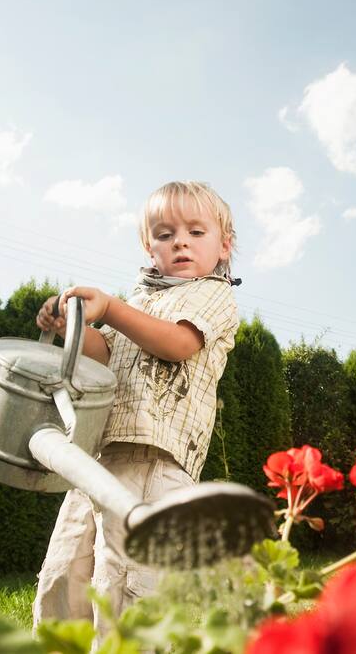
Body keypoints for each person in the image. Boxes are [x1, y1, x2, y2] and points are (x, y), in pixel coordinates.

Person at [32, 181, 240, 632]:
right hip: (98, 458)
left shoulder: (213, 294)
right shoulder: (142, 301)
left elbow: (178, 344)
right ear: (149, 248)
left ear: (224, 245)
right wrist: (73, 324)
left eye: (195, 232)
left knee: (125, 583)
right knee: (64, 575)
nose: (180, 241)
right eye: (165, 234)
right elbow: (102, 354)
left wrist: (110, 308)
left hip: (157, 466)